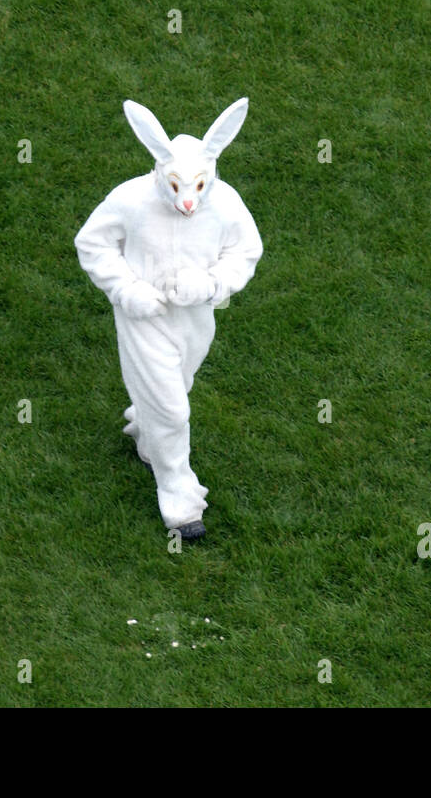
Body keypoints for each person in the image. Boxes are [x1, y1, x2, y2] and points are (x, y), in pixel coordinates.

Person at [75, 98, 262, 541]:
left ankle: (145, 427)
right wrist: (127, 290)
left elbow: (245, 251)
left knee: (176, 387)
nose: (187, 202)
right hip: (144, 317)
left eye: (198, 187)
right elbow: (92, 243)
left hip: (196, 320)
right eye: (177, 187)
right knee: (175, 410)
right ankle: (180, 501)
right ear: (161, 172)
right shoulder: (131, 199)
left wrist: (213, 284)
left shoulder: (226, 203)